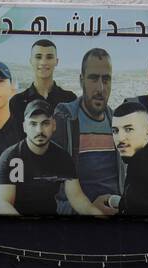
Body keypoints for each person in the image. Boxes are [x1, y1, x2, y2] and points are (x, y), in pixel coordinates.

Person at [0, 100, 100, 217]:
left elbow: (77, 197)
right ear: (24, 127)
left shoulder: (62, 157)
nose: (39, 130)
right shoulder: (10, 158)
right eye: (33, 124)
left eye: (45, 123)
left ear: (54, 125)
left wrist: (99, 216)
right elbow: (4, 204)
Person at [53, 48, 122, 215]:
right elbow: (50, 194)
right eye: (93, 78)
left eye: (106, 79)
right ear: (81, 80)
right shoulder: (65, 121)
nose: (100, 88)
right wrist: (89, 210)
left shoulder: (118, 124)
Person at [9, 39, 77, 118]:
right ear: (31, 61)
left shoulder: (69, 99)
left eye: (49, 57)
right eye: (38, 57)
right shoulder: (17, 101)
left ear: (56, 61)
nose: (43, 62)